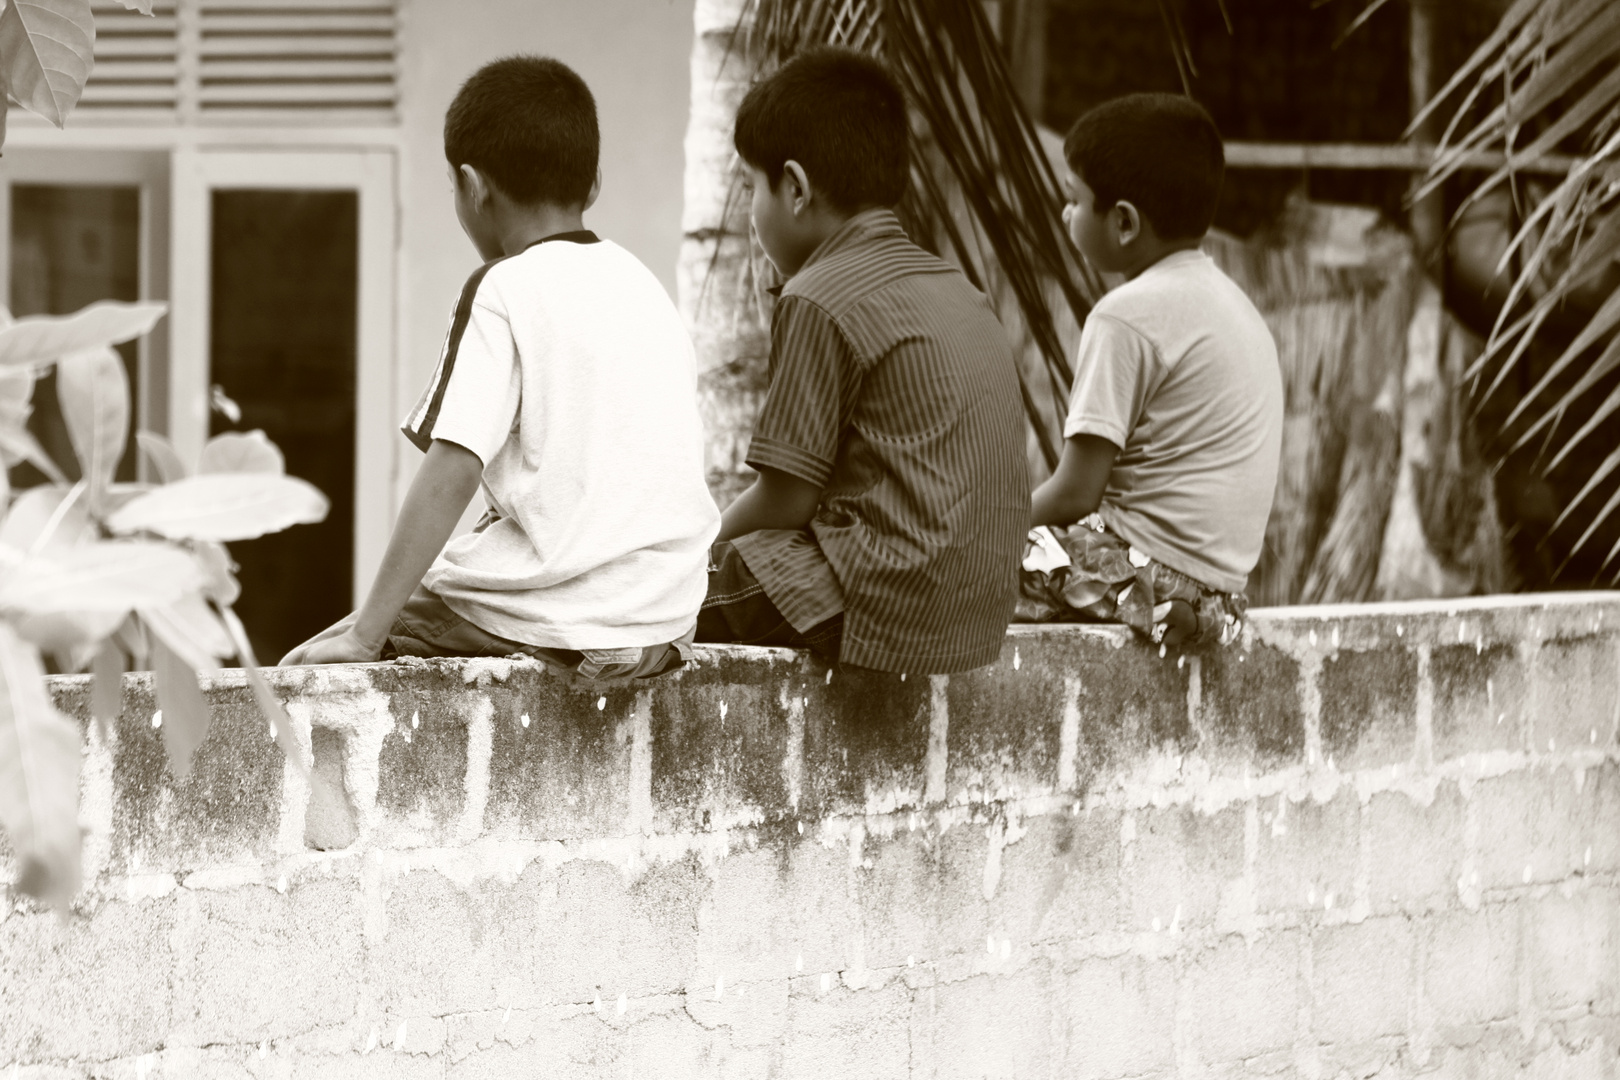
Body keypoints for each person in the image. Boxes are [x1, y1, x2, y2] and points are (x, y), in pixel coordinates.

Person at [282, 55, 719, 678]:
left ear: (472, 185)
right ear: (592, 184)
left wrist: (366, 632)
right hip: (665, 623)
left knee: (320, 661)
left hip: (566, 615)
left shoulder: (502, 287)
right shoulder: (645, 287)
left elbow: (454, 467)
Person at [695, 46, 1030, 675]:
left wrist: (697, 550)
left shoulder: (819, 296)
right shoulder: (959, 290)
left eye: (751, 189)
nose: (750, 213)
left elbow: (784, 501)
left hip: (882, 602)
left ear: (794, 188)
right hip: (976, 611)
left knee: (647, 591)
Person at [1021, 93, 1283, 648]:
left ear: (1123, 223)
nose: (1065, 214)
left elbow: (1075, 493)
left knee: (951, 560)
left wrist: (983, 526)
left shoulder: (1125, 317)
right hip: (1222, 598)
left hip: (1134, 573)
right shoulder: (1237, 306)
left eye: (1074, 200)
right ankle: (1175, 607)